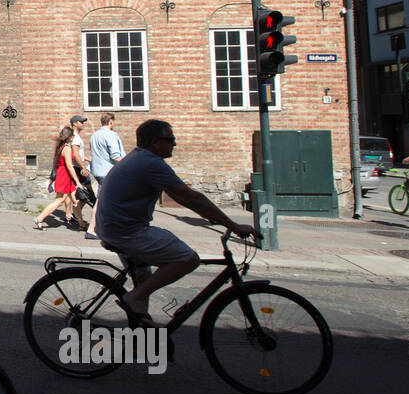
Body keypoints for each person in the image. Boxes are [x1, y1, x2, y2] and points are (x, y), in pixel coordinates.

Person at [96, 119, 257, 326]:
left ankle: (142, 338)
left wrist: (212, 215)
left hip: (115, 228)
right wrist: (233, 225)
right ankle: (134, 298)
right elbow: (191, 198)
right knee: (187, 259)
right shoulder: (150, 163)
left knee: (145, 281)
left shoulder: (139, 158)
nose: (175, 144)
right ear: (155, 142)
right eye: (170, 139)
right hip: (126, 231)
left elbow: (184, 198)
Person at [33, 125, 87, 230]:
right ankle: (39, 218)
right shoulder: (66, 148)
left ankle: (82, 224)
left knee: (75, 200)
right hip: (65, 176)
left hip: (64, 175)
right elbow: (69, 166)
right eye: (72, 136)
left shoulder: (61, 147)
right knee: (59, 201)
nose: (73, 138)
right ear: (69, 137)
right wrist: (77, 181)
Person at [86, 113, 126, 239]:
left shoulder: (94, 135)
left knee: (109, 200)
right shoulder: (110, 135)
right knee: (101, 201)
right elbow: (115, 156)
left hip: (98, 171)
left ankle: (109, 227)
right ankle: (92, 229)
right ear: (111, 122)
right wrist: (129, 164)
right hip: (109, 172)